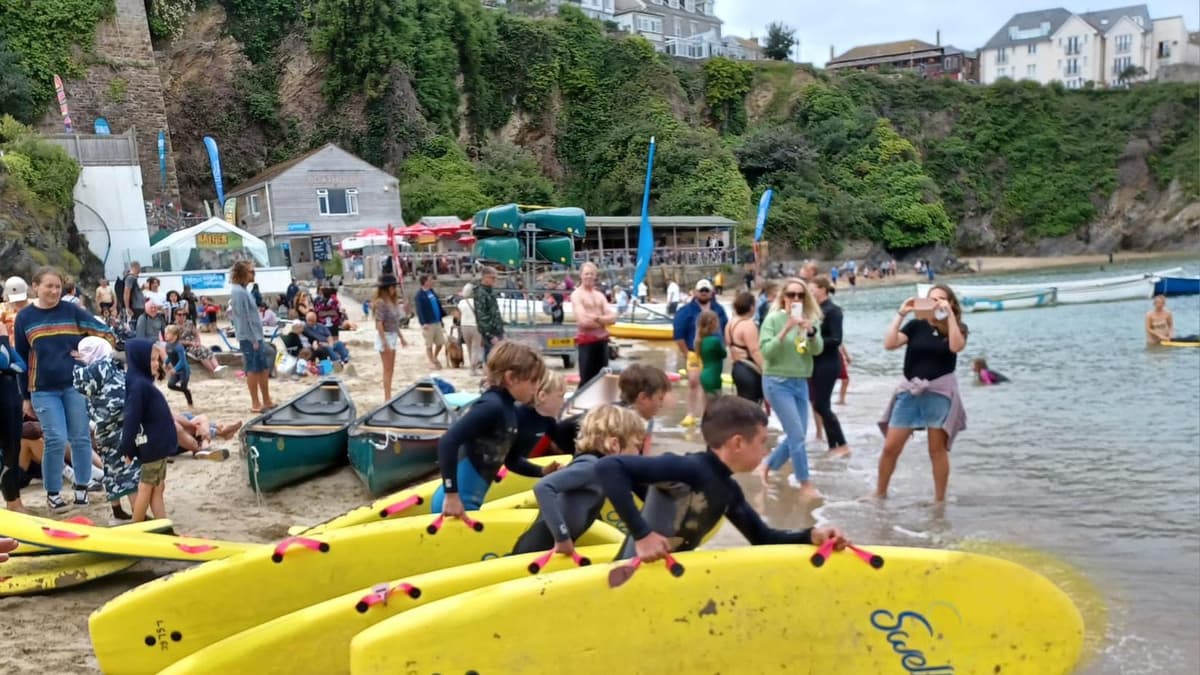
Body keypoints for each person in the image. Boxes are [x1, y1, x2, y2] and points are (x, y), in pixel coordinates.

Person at [596, 395, 849, 562]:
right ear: (737, 442)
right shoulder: (688, 468)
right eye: (762, 442)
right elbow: (609, 467)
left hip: (658, 585)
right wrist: (642, 535)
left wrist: (812, 535)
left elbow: (763, 538)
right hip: (623, 579)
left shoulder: (728, 491)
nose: (766, 451)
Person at [14, 266, 114, 511]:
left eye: (58, 286)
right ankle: (53, 493)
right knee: (56, 439)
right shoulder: (25, 317)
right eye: (49, 286)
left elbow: (105, 332)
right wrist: (25, 398)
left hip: (74, 385)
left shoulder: (71, 310)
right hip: (42, 389)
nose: (54, 291)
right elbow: (20, 359)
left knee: (81, 438)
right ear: (35, 286)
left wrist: (90, 352)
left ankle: (82, 488)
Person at [431, 341, 559, 517]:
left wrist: (542, 472)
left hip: (469, 505)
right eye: (533, 381)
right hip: (453, 506)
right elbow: (448, 441)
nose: (536, 387)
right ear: (511, 377)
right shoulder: (492, 406)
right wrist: (451, 495)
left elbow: (510, 460)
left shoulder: (510, 411)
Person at [512, 404, 646, 556]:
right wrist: (562, 537)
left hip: (543, 550)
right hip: (533, 553)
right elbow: (543, 487)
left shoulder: (597, 469)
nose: (638, 454)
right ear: (614, 444)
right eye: (636, 447)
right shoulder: (591, 467)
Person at [877, 284, 968, 503]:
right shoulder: (916, 325)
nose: (934, 302)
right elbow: (889, 344)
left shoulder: (956, 327)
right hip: (910, 392)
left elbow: (956, 347)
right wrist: (901, 313)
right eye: (931, 299)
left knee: (936, 450)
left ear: (950, 302)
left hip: (939, 394)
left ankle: (939, 499)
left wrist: (949, 317)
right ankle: (879, 492)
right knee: (890, 447)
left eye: (940, 299)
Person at [757, 277, 823, 498]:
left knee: (799, 434)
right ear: (783, 297)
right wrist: (785, 329)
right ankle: (805, 483)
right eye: (791, 294)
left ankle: (767, 465)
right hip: (777, 381)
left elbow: (816, 351)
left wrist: (811, 332)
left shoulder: (810, 319)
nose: (795, 299)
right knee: (796, 434)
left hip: (800, 381)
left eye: (800, 295)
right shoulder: (773, 319)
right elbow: (766, 352)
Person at [72, 336, 137, 520]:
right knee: (128, 470)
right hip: (119, 424)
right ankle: (137, 513)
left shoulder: (85, 373)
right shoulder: (106, 367)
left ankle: (117, 510)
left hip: (103, 427)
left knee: (111, 467)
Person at [552, 363, 671, 456]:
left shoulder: (623, 415)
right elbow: (560, 429)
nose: (661, 404)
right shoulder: (617, 422)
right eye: (660, 398)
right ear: (643, 398)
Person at [120, 339, 176, 522]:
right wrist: (127, 448)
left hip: (158, 444)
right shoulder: (138, 386)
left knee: (158, 487)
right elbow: (131, 418)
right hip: (152, 445)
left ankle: (162, 528)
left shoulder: (142, 382)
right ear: (140, 359)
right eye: (152, 360)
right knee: (146, 487)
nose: (156, 364)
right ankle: (137, 528)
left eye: (157, 359)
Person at [673, 279, 728, 427]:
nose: (704, 293)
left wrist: (725, 346)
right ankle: (690, 413)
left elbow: (725, 328)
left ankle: (707, 414)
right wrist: (686, 353)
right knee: (693, 382)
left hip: (713, 353)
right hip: (694, 352)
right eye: (701, 290)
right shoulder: (685, 311)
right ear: (695, 292)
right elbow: (678, 334)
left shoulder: (719, 310)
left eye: (706, 290)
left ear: (712, 292)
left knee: (709, 384)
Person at [808, 277, 850, 457]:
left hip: (829, 362)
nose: (810, 292)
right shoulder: (813, 311)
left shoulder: (833, 311)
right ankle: (834, 445)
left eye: (812, 289)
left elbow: (836, 339)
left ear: (823, 289)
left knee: (822, 405)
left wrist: (814, 341)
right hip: (815, 362)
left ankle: (842, 444)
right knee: (819, 404)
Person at [229, 260, 274, 414]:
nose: (254, 274)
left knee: (262, 367)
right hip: (249, 337)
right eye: (251, 271)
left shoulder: (243, 290)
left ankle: (266, 399)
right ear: (242, 273)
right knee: (253, 369)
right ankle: (256, 403)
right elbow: (244, 318)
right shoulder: (239, 292)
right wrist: (253, 338)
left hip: (255, 334)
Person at [571, 262, 617, 387]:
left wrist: (596, 319)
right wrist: (603, 321)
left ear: (595, 276)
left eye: (591, 274)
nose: (589, 276)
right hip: (587, 342)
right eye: (586, 274)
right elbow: (583, 321)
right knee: (586, 380)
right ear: (581, 275)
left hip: (602, 342)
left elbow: (613, 317)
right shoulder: (577, 295)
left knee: (603, 378)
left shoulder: (599, 295)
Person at [0, 313, 26, 512]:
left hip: (10, 396)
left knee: (13, 448)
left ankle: (14, 501)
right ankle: (12, 501)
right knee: (6, 451)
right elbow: (5, 361)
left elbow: (21, 365)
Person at [512, 370, 567, 460]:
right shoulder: (516, 416)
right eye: (561, 396)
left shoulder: (550, 422)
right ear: (542, 396)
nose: (563, 402)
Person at [372, 274, 408, 401]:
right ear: (388, 288)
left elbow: (394, 323)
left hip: (392, 335)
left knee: (391, 369)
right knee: (387, 369)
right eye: (393, 287)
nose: (395, 289)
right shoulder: (380, 302)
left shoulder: (392, 302)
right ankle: (387, 397)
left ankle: (388, 395)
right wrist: (385, 342)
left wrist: (401, 337)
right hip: (385, 336)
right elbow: (379, 323)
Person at [726, 291, 764, 405]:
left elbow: (729, 346)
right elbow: (754, 350)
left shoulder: (730, 324)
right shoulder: (748, 325)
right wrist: (766, 370)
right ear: (752, 307)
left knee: (742, 405)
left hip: (737, 368)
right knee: (753, 406)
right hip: (750, 370)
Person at [171, 308, 222, 373]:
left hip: (194, 344)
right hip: (184, 347)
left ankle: (217, 367)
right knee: (201, 352)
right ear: (175, 316)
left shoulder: (189, 323)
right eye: (179, 314)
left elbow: (196, 334)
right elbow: (175, 341)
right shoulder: (173, 327)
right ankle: (213, 371)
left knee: (207, 350)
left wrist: (198, 342)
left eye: (184, 314)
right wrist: (190, 343)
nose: (182, 316)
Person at [414, 274, 446, 370]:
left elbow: (437, 305)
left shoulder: (432, 292)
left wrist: (441, 318)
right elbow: (419, 310)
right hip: (428, 323)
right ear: (425, 282)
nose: (432, 281)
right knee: (429, 344)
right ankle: (431, 361)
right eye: (430, 280)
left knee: (440, 343)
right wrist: (423, 323)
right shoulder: (419, 295)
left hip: (437, 321)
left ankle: (435, 357)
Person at [474, 267, 505, 364]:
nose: (494, 280)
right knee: (491, 359)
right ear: (485, 277)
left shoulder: (490, 290)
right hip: (490, 332)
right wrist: (490, 336)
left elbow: (494, 312)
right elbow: (481, 317)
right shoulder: (481, 293)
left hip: (497, 330)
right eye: (492, 277)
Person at [696, 310, 725, 405]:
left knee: (708, 406)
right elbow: (723, 354)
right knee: (717, 407)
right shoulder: (714, 341)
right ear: (713, 323)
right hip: (714, 377)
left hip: (705, 375)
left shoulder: (700, 341)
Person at [163, 325, 193, 407]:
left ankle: (190, 402)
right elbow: (170, 356)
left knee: (183, 387)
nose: (165, 335)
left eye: (167, 334)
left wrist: (175, 369)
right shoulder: (168, 345)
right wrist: (166, 363)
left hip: (184, 371)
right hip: (176, 371)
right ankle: (186, 391)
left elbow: (182, 361)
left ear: (175, 336)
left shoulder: (179, 346)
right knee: (170, 385)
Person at [456, 284, 483, 376]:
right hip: (475, 325)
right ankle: (473, 368)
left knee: (469, 347)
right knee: (476, 347)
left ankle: (472, 366)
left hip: (464, 325)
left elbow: (459, 315)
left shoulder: (461, 303)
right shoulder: (478, 302)